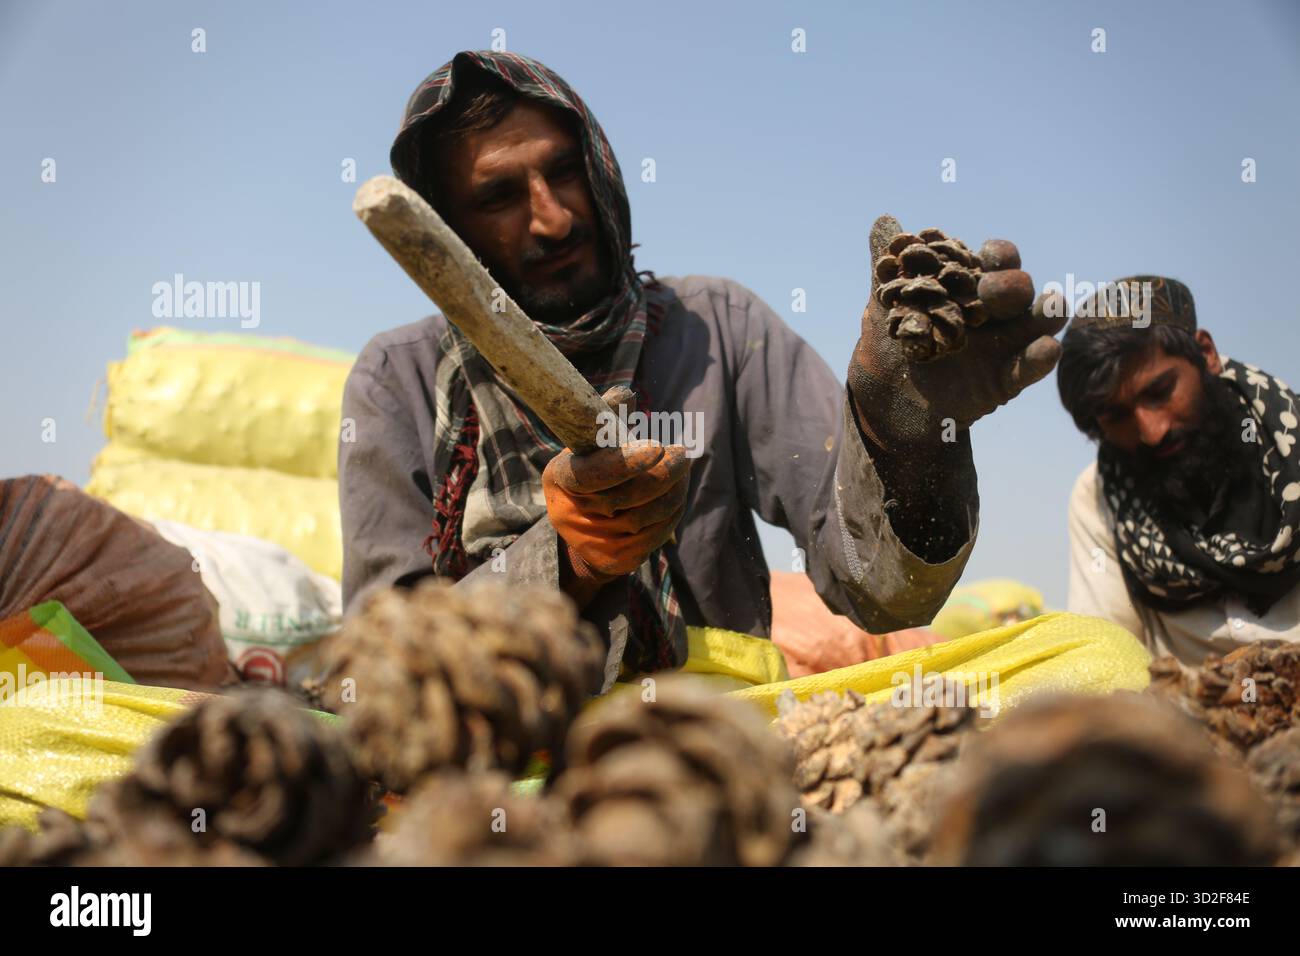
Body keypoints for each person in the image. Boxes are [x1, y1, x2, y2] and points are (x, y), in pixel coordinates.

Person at [340, 50, 1064, 691]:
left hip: (719, 730)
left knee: (1089, 653)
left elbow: (878, 595)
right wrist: (568, 563)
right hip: (502, 757)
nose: (553, 218)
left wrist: (908, 439)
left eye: (564, 171)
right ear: (450, 225)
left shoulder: (720, 328)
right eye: (499, 196)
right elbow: (380, 675)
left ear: (600, 167)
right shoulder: (395, 379)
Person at [1059, 276, 1300, 663]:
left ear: (1206, 354)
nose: (1153, 433)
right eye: (1118, 416)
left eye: (1160, 392)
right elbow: (1108, 659)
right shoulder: (1098, 497)